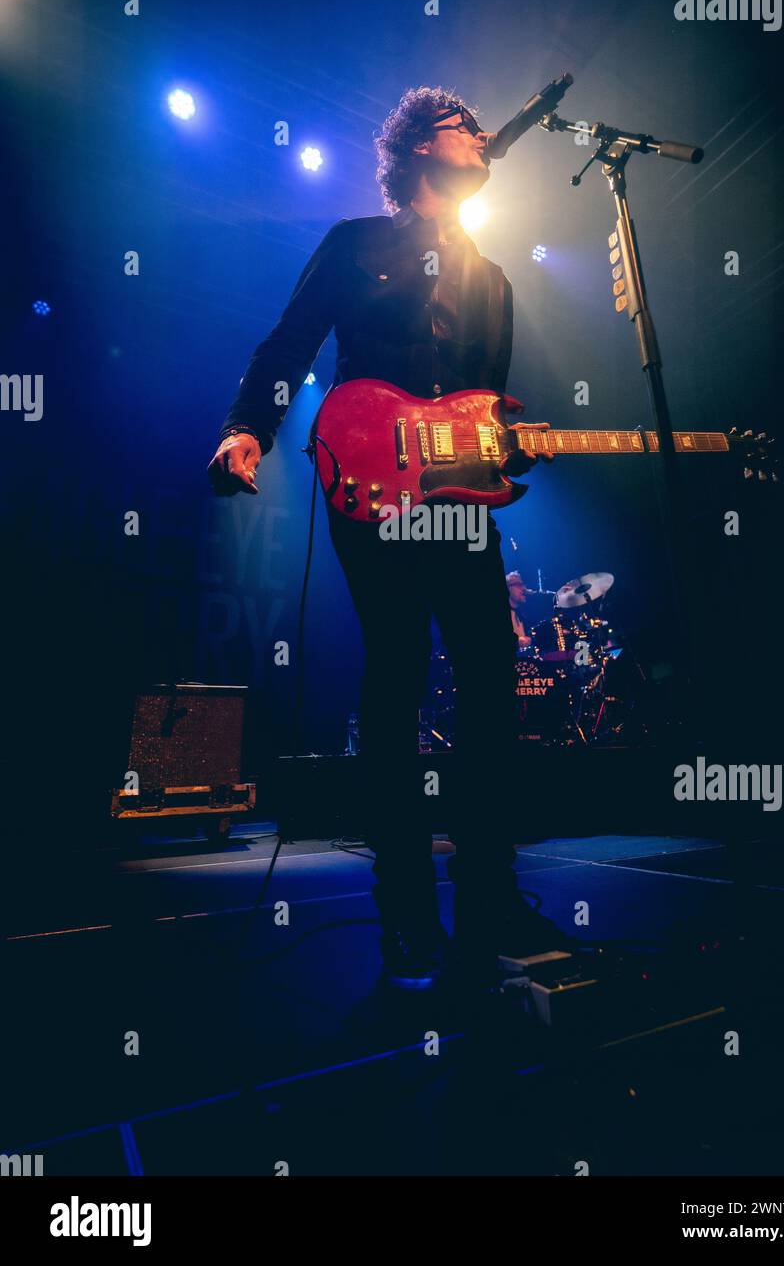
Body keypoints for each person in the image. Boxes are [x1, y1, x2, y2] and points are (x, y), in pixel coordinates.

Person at [208, 86, 570, 986]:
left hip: (457, 499)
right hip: (369, 479)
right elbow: (288, 343)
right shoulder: (356, 244)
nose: (480, 132)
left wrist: (508, 451)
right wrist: (246, 425)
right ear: (415, 151)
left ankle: (489, 895)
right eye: (460, 125)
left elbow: (485, 403)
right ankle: (405, 912)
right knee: (396, 678)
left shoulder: (493, 278)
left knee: (491, 683)